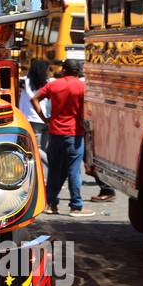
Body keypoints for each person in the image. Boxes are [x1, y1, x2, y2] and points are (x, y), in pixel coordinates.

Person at [33, 58, 94, 216]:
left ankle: (51, 204)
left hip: (55, 133)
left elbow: (34, 98)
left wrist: (44, 118)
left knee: (54, 170)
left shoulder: (54, 85)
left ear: (64, 70)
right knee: (74, 170)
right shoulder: (82, 87)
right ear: (77, 71)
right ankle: (75, 206)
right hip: (74, 134)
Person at [19, 59, 49, 153]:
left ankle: (49, 165)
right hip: (46, 119)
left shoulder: (24, 82)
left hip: (31, 119)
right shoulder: (48, 83)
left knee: (35, 150)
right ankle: (49, 166)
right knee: (44, 149)